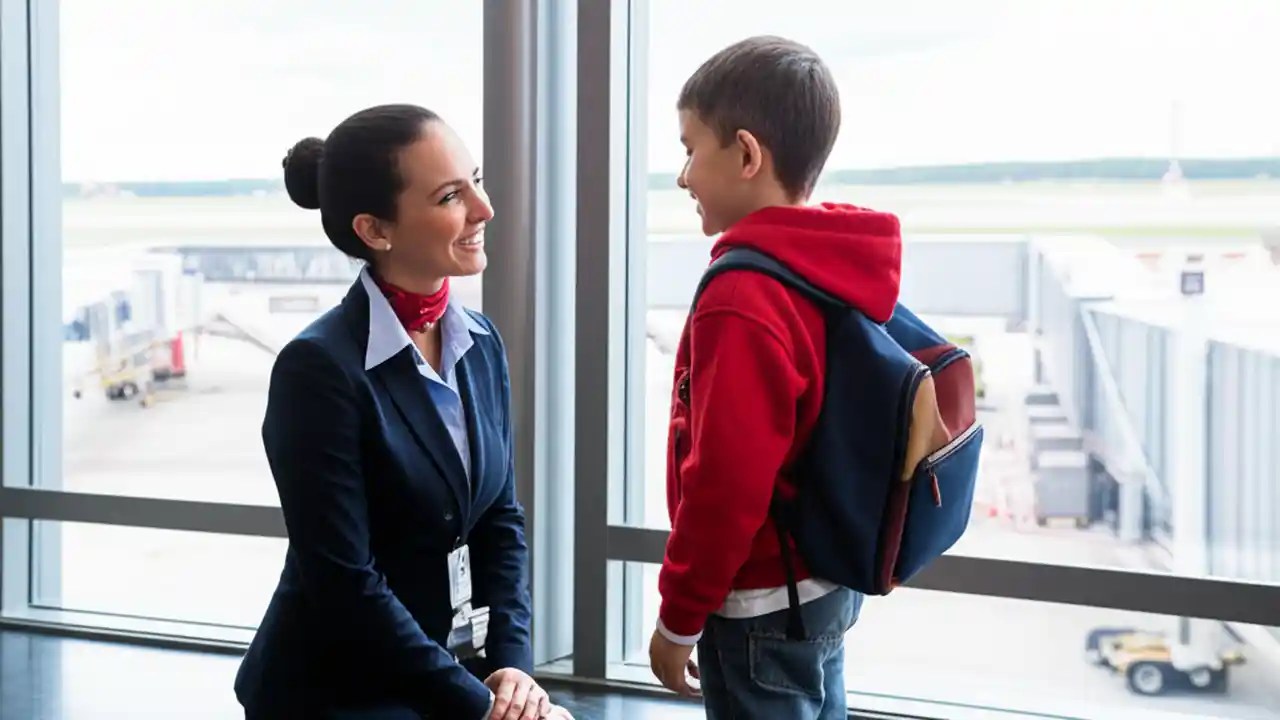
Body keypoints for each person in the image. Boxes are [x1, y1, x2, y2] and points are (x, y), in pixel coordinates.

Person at [234, 104, 572, 720]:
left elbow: (500, 519)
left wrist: (512, 670)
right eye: (450, 196)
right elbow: (344, 583)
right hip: (340, 689)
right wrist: (480, 706)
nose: (484, 208)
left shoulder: (479, 341)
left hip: (444, 674)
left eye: (477, 179)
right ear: (375, 230)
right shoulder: (319, 370)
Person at [649, 37, 903, 719]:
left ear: (746, 153)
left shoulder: (743, 297)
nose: (682, 175)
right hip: (821, 581)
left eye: (689, 148)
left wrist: (678, 618)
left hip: (760, 600)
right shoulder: (825, 266)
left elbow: (725, 484)